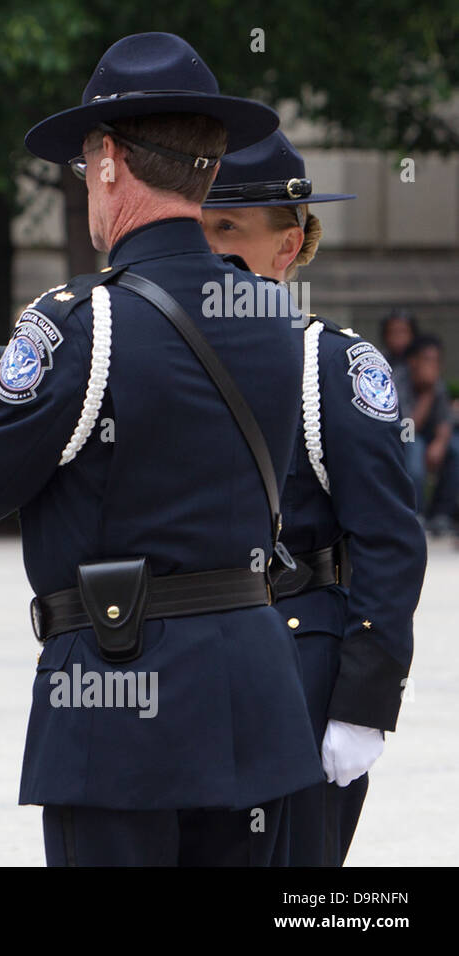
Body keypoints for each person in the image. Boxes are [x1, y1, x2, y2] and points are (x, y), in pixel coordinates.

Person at [0, 32, 323, 865]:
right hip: (256, 692)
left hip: (122, 697)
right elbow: (161, 384)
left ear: (106, 160)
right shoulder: (273, 316)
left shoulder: (78, 320)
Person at [200, 128, 426, 865]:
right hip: (188, 665)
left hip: (298, 664)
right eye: (194, 228)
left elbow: (389, 541)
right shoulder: (162, 357)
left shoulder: (329, 365)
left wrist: (364, 703)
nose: (206, 251)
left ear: (289, 246)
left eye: (227, 228)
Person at [398, 334, 459, 531]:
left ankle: (442, 514)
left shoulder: (438, 385)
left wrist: (440, 443)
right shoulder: (398, 380)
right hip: (406, 437)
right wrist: (427, 393)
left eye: (436, 360)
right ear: (413, 361)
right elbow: (407, 429)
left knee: (456, 449)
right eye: (428, 359)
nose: (433, 365)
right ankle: (415, 513)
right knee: (414, 450)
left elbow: (446, 419)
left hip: (429, 437)